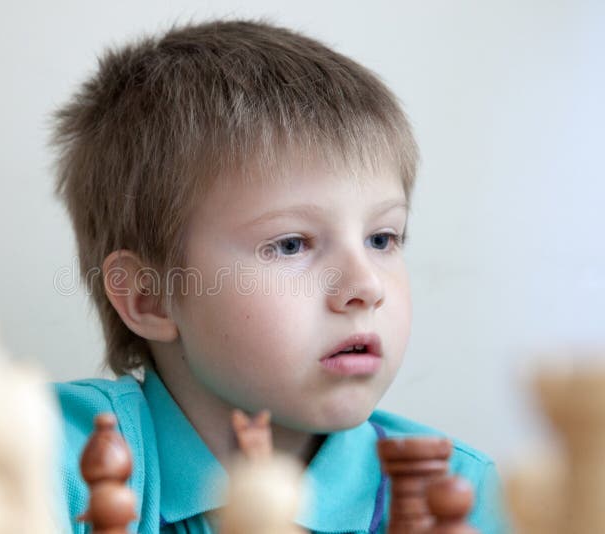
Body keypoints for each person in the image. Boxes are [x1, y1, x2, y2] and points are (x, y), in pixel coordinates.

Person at [49, 16, 511, 533]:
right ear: (149, 296)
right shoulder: (51, 457)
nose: (366, 287)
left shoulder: (461, 494)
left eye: (382, 239)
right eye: (292, 244)